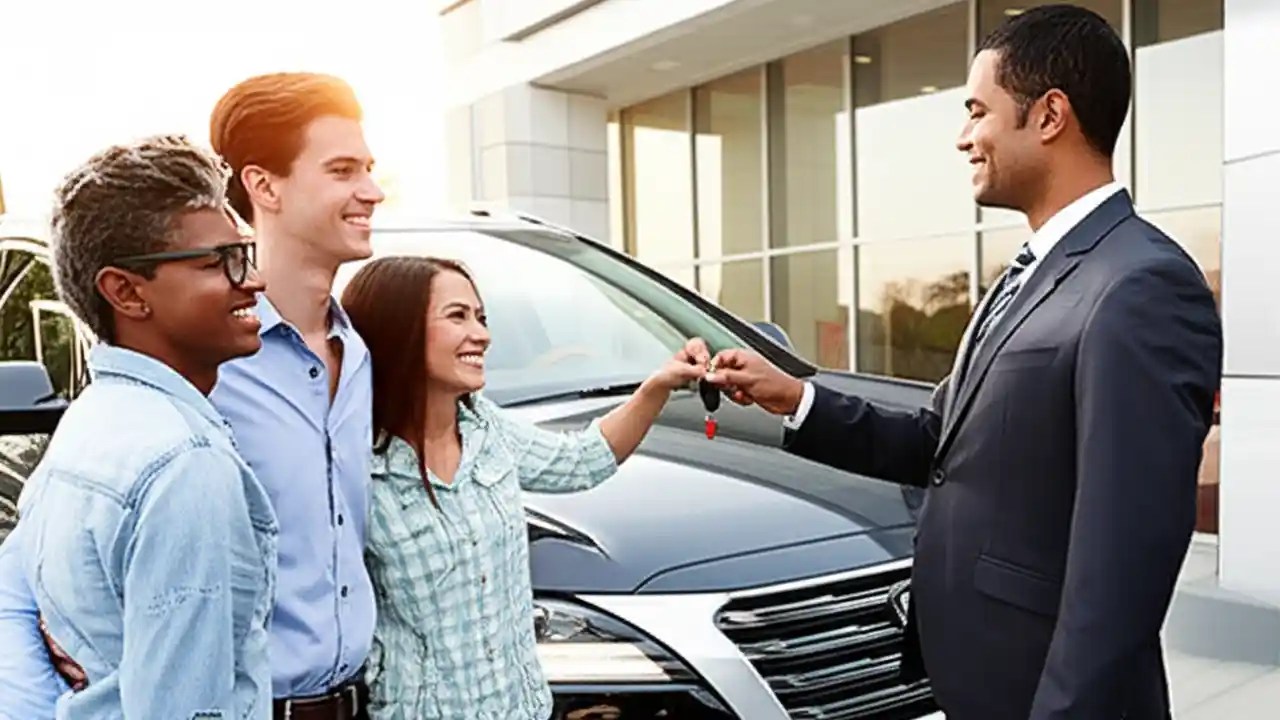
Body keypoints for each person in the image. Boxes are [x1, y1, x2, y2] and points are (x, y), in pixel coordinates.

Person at [705, 6, 1222, 720]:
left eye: (977, 111)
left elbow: (1122, 570)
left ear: (1049, 115)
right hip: (978, 680)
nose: (962, 138)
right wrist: (795, 398)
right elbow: (937, 442)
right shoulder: (1025, 276)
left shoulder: (1141, 286)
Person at [0, 72, 383, 720]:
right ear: (263, 186)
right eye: (343, 169)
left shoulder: (361, 353)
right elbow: (25, 584)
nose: (371, 191)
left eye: (370, 168)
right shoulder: (185, 394)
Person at [338, 256, 709, 719]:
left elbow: (581, 462)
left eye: (481, 317)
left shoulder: (485, 430)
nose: (482, 334)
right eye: (458, 316)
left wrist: (658, 384)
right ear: (398, 330)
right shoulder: (353, 466)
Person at [6, 135, 276, 717]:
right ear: (126, 292)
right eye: (219, 262)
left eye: (246, 254)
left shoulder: (95, 419)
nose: (252, 281)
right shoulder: (184, 462)